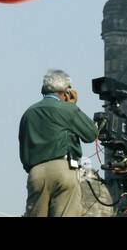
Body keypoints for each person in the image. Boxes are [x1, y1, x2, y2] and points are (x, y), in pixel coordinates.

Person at [18, 69, 100, 216]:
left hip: (36, 173)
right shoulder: (67, 109)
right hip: (63, 169)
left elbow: (23, 150)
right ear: (66, 91)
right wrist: (73, 106)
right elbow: (91, 134)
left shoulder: (28, 113)